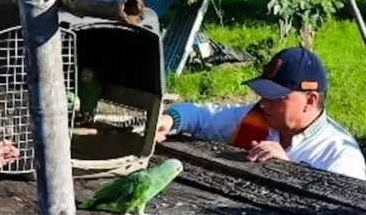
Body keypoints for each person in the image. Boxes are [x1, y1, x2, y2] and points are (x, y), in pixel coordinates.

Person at [156, 46, 366, 180]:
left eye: (276, 96)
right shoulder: (258, 118)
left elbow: (346, 214)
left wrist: (288, 171)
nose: (264, 104)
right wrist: (170, 119)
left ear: (309, 101)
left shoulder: (341, 156)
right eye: (263, 94)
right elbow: (202, 116)